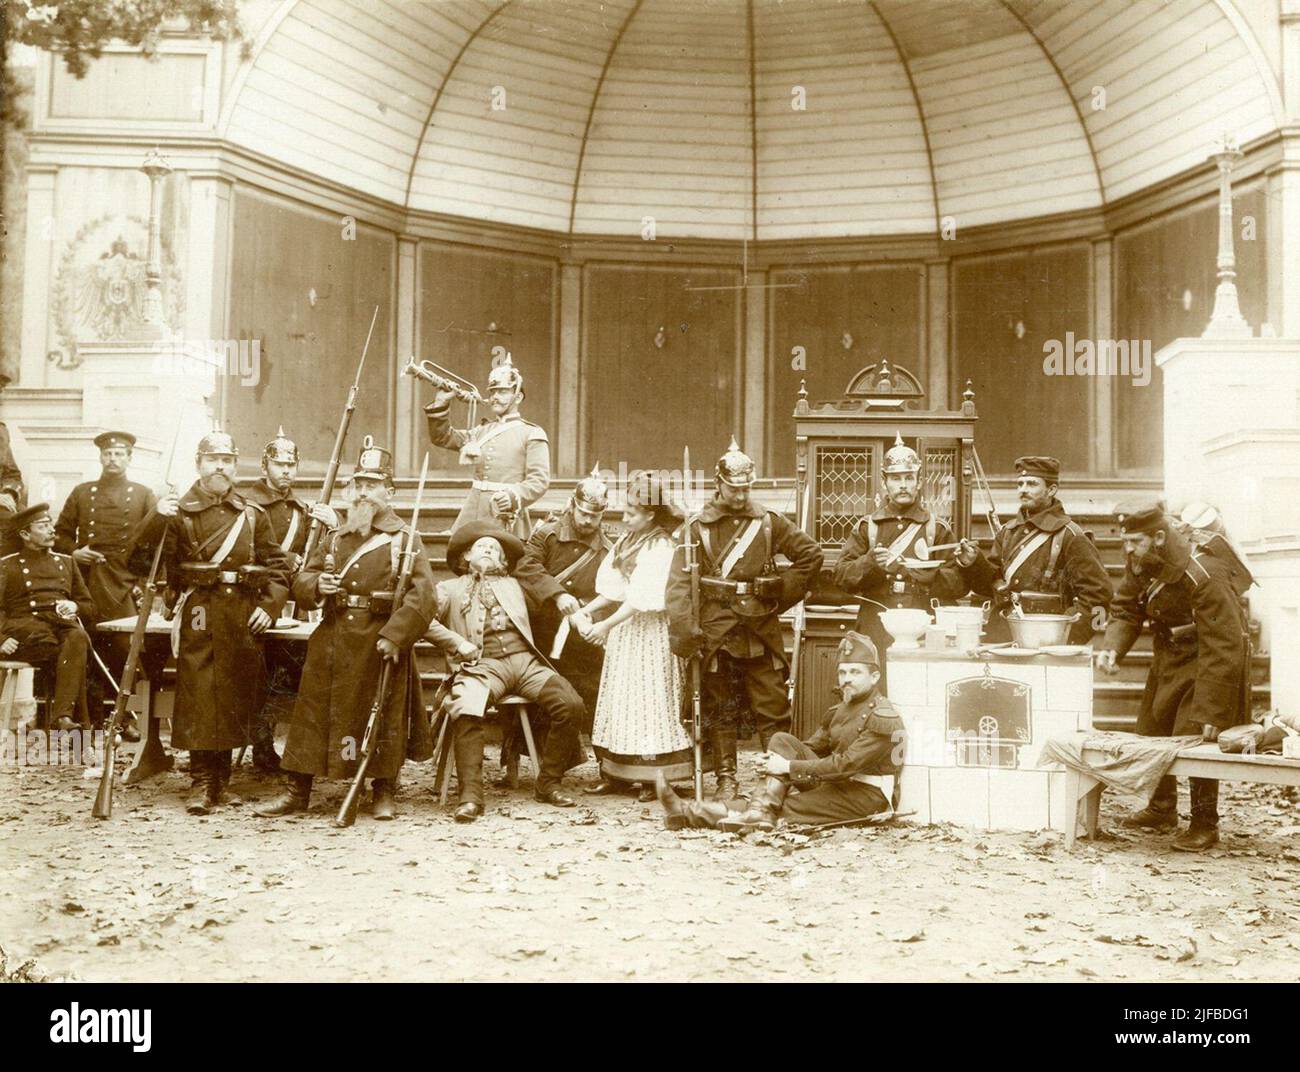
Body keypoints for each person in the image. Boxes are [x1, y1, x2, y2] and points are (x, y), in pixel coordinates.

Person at [255, 437, 434, 821]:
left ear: (390, 491)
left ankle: (383, 789)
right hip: (333, 638)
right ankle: (297, 790)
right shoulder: (337, 536)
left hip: (379, 641)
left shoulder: (405, 539)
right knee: (312, 714)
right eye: (359, 484)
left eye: (373, 484)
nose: (364, 491)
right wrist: (317, 587)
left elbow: (423, 598)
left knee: (380, 715)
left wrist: (395, 636)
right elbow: (302, 579)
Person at [130, 431, 290, 815]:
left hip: (243, 613)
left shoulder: (251, 514)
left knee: (234, 692)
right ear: (198, 464)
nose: (221, 467)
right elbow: (136, 562)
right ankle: (201, 782)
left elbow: (279, 568)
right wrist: (156, 519)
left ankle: (222, 782)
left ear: (236, 466)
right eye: (213, 460)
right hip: (199, 609)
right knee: (201, 693)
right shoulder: (176, 511)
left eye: (228, 460)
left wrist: (269, 606)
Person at [666, 437, 823, 800]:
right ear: (718, 484)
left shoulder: (767, 523)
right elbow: (677, 585)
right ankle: (725, 780)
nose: (739, 496)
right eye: (733, 488)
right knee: (720, 707)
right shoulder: (696, 529)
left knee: (772, 705)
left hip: (759, 629)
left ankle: (777, 780)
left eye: (745, 488)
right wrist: (687, 629)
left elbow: (810, 556)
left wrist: (777, 592)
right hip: (716, 630)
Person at [1096, 499, 1250, 852]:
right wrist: (1113, 646)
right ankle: (1162, 809)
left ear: (1161, 537)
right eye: (1126, 541)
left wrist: (1213, 708)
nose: (1128, 549)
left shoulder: (1203, 572)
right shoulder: (1141, 560)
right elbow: (1126, 607)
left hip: (1205, 660)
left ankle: (1204, 824)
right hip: (1168, 656)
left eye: (1135, 541)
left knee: (1196, 741)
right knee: (1152, 730)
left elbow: (1225, 644)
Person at [655, 631, 904, 832]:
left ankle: (690, 813)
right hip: (839, 786)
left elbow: (845, 766)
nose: (846, 679)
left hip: (868, 796)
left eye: (855, 672)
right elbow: (813, 747)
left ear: (874, 677)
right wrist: (775, 761)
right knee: (781, 740)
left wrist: (786, 768)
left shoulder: (882, 716)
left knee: (785, 805)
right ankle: (750, 812)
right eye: (842, 672)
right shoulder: (841, 708)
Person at [424, 521, 585, 822]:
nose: (488, 550)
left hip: (525, 663)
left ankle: (548, 782)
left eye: (494, 549)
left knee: (570, 704)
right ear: (466, 556)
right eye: (481, 547)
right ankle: (471, 796)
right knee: (468, 710)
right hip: (482, 667)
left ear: (503, 561)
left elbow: (547, 600)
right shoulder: (448, 589)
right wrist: (457, 643)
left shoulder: (517, 585)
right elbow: (422, 619)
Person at [575, 470, 691, 802]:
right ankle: (618, 773)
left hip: (650, 634)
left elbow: (642, 598)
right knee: (621, 700)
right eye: (624, 510)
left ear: (651, 514)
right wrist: (587, 611)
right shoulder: (629, 540)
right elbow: (615, 589)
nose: (624, 518)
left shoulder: (660, 546)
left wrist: (603, 626)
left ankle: (655, 777)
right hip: (626, 634)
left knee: (648, 701)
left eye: (631, 513)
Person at [833, 434, 966, 686]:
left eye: (908, 478)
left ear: (919, 482)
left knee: (923, 690)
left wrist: (933, 579)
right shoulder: (867, 528)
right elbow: (841, 576)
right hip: (876, 624)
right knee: (878, 692)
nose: (903, 485)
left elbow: (960, 584)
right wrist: (869, 563)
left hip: (923, 623)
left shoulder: (936, 529)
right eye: (896, 478)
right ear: (884, 483)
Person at [53, 431, 158, 741]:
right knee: (89, 646)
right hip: (88, 580)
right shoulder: (83, 493)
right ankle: (91, 720)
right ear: (100, 457)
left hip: (124, 582)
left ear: (129, 458)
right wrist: (74, 551)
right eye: (108, 454)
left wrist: (141, 581)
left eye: (120, 454)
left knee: (126, 649)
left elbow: (154, 544)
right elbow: (59, 534)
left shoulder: (142, 494)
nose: (113, 459)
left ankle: (125, 718)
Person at [954, 455, 1110, 645]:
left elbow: (1099, 597)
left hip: (1047, 641)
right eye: (1020, 484)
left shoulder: (1070, 536)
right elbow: (991, 586)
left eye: (1032, 484)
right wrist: (973, 562)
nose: (1023, 490)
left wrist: (1067, 638)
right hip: (1003, 636)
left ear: (1051, 489)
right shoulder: (1008, 532)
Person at [513, 465, 613, 726]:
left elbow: (613, 589)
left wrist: (589, 612)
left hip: (582, 631)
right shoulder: (547, 533)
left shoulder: (608, 547)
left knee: (590, 685)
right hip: (541, 626)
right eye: (583, 513)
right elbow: (526, 567)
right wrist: (557, 595)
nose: (588, 521)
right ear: (572, 505)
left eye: (595, 515)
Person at [240, 427, 312, 772]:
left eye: (291, 465)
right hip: (254, 602)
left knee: (288, 675)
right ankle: (260, 742)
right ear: (264, 466)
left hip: (291, 606)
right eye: (278, 464)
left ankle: (276, 743)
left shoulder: (301, 509)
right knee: (255, 674)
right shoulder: (247, 506)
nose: (286, 471)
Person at [425, 353, 549, 537]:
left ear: (518, 397)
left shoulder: (532, 433)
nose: (495, 397)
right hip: (472, 512)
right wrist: (441, 402)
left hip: (504, 513)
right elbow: (442, 437)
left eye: (502, 392)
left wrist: (513, 497)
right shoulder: (481, 431)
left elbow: (539, 481)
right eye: (492, 392)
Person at [0, 503, 96, 731]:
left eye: (50, 524)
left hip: (60, 627)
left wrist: (73, 606)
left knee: (78, 637)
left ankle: (62, 718)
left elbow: (89, 606)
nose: (52, 530)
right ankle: (72, 722)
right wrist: (1, 638)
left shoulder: (66, 562)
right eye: (43, 526)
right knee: (74, 656)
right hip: (25, 629)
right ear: (25, 534)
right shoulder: (8, 565)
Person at [0, 374, 27, 556]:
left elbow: (12, 474)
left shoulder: (1, 431)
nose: (2, 397)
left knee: (31, 522)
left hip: (2, 503)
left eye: (1, 391)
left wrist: (8, 493)